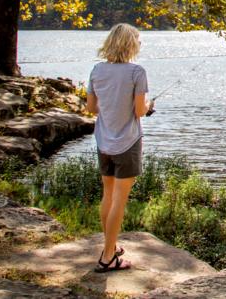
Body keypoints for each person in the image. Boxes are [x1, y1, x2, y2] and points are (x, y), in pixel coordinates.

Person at [85, 23, 153, 273]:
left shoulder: (96, 70)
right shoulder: (137, 72)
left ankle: (111, 246)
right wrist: (148, 106)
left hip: (104, 140)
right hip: (128, 143)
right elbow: (139, 111)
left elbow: (91, 108)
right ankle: (107, 257)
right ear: (131, 44)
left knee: (108, 194)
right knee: (120, 201)